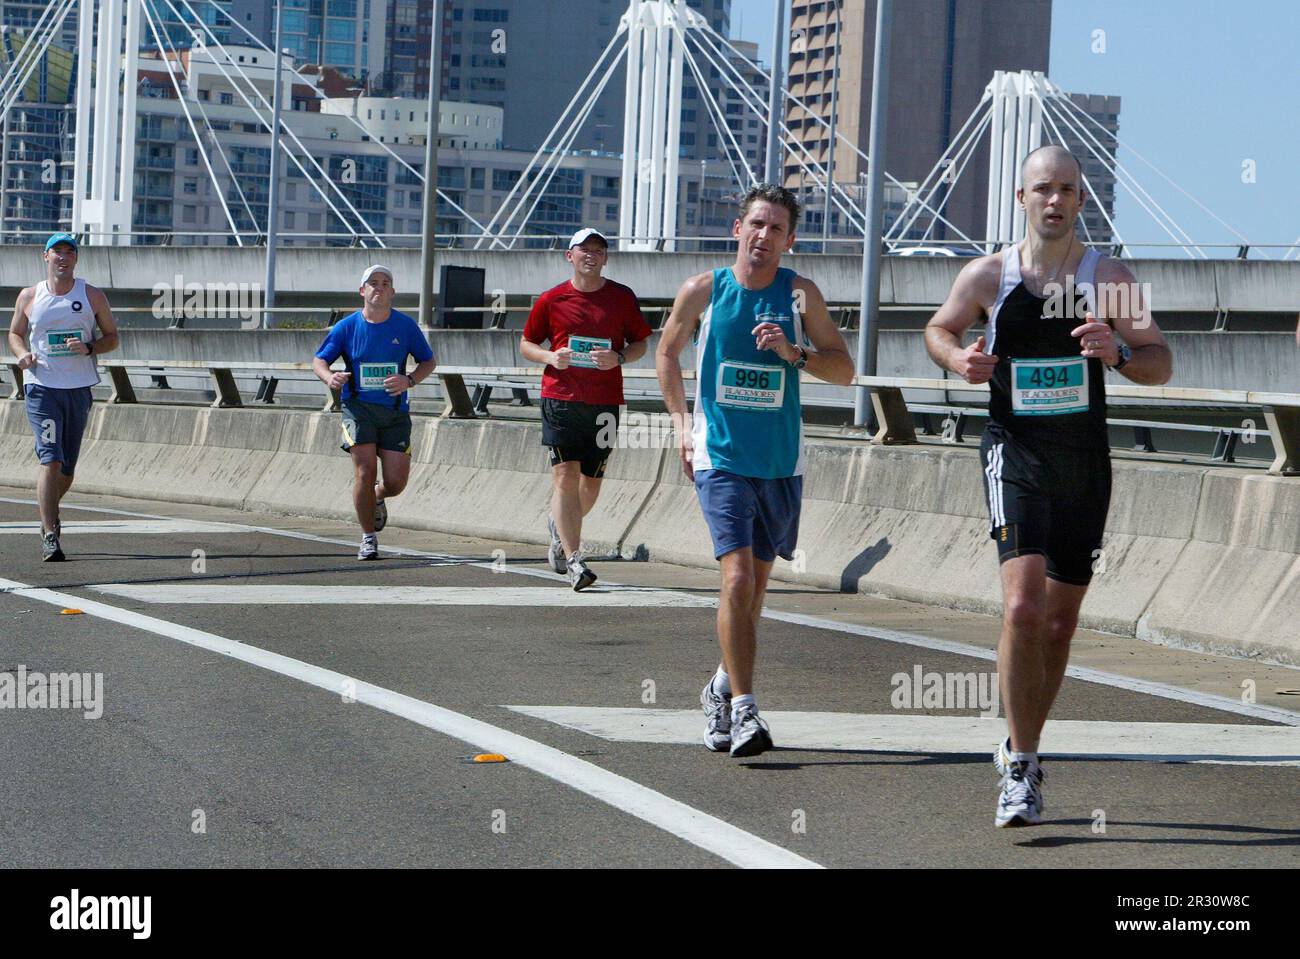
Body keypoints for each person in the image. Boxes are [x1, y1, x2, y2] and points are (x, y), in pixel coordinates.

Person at [924, 145, 1172, 826]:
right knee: (1023, 610)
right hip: (1015, 452)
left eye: (1067, 189)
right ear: (1021, 197)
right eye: (1042, 188)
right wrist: (960, 358)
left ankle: (1019, 739)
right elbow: (939, 329)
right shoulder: (989, 274)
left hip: (1082, 463)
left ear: (1082, 201)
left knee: (1059, 623)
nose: (1055, 200)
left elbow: (1160, 362)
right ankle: (1025, 767)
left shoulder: (1108, 277)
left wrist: (1118, 353)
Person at [656, 185, 854, 757]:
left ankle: (721, 685)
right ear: (737, 228)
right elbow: (667, 353)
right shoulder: (704, 291)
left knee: (755, 593)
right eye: (756, 225)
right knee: (737, 578)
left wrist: (796, 355)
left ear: (789, 240)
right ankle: (745, 711)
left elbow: (844, 371)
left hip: (778, 462)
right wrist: (680, 423)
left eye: (776, 229)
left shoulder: (800, 295)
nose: (763, 237)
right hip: (719, 455)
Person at [521, 228, 652, 590]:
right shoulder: (552, 299)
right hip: (560, 398)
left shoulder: (622, 297)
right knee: (565, 474)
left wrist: (620, 356)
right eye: (584, 249)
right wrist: (550, 356)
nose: (591, 255)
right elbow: (526, 343)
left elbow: (641, 342)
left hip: (605, 401)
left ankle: (558, 527)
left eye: (599, 250)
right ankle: (576, 560)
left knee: (591, 485)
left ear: (606, 258)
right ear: (570, 255)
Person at [7, 233, 119, 562]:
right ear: (46, 257)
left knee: (66, 469)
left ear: (76, 259)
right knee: (50, 459)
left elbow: (112, 337)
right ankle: (49, 532)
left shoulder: (91, 295)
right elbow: (14, 333)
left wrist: (89, 347)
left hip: (79, 387)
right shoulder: (29, 296)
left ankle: (50, 511)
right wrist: (22, 354)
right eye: (57, 251)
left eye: (70, 252)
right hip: (41, 387)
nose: (63, 257)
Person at [312, 265, 436, 560]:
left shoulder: (405, 327)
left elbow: (428, 362)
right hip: (358, 409)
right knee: (365, 471)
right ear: (362, 291)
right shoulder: (347, 327)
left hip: (394, 411)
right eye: (373, 283)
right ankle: (368, 537)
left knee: (395, 482)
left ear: (392, 292)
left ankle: (378, 497)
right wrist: (330, 378)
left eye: (385, 283)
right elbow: (319, 360)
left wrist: (409, 380)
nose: (379, 288)